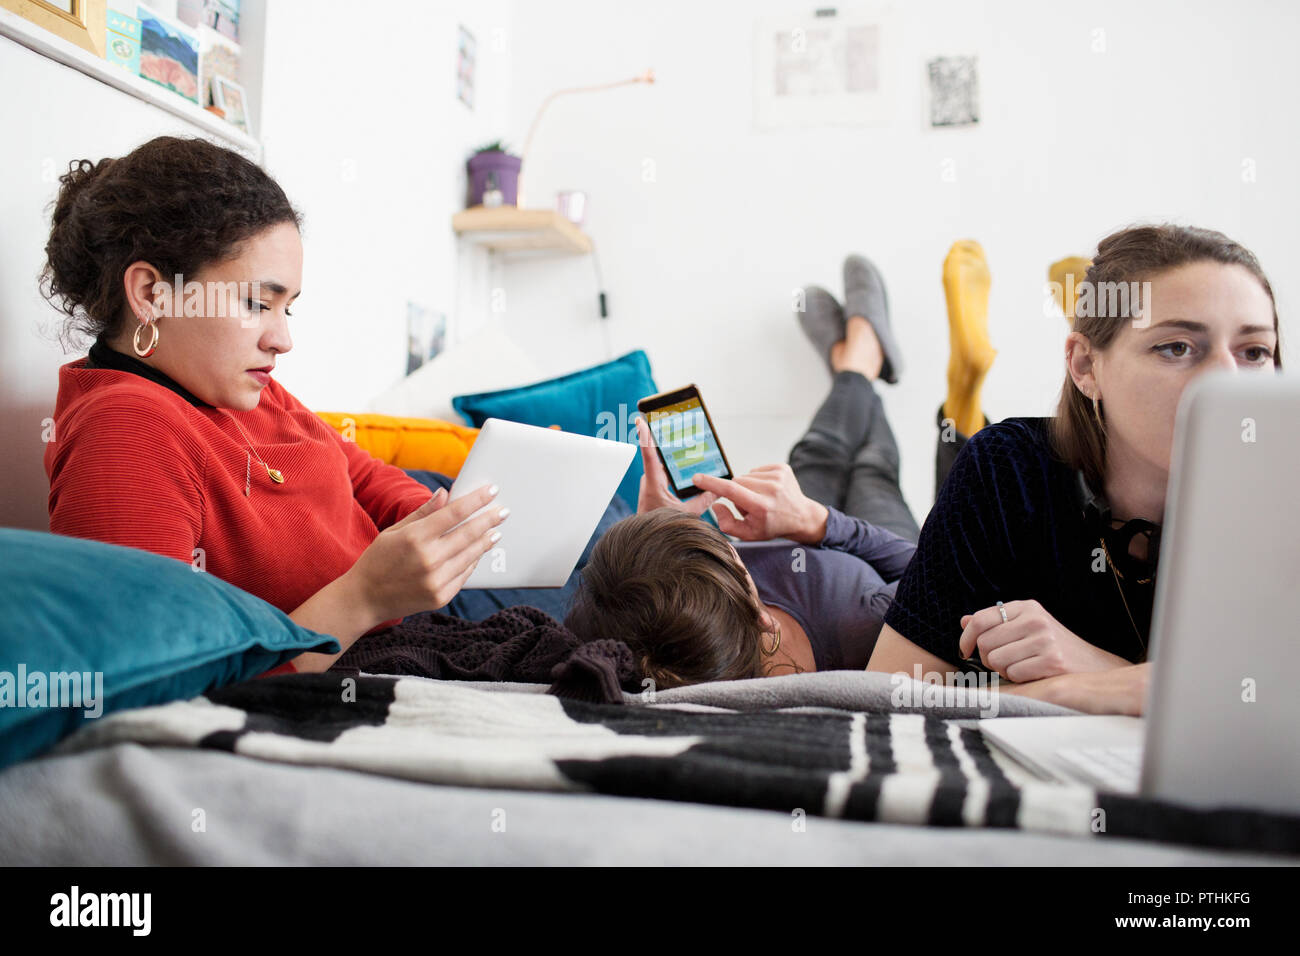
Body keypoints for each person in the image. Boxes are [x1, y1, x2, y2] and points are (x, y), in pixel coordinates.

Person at [41, 136, 509, 674]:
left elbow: (361, 474)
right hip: (398, 624)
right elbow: (153, 684)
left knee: (605, 543)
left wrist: (433, 523)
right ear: (153, 294)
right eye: (257, 303)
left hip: (434, 593)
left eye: (287, 309)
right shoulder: (125, 429)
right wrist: (366, 598)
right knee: (617, 573)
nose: (282, 339)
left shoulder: (229, 385)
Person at [868, 224, 1283, 715]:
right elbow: (890, 699)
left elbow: (1270, 706)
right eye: (1177, 347)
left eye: (1254, 352)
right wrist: (1108, 687)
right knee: (868, 490)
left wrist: (1086, 674)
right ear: (1085, 366)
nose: (1226, 383)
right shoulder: (1009, 469)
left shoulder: (1282, 498)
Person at [567, 253, 974, 684]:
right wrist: (817, 522)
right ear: (763, 617)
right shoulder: (869, 625)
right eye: (731, 558)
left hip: (791, 543)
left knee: (814, 456)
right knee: (871, 469)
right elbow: (943, 574)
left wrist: (657, 539)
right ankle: (862, 362)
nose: (730, 547)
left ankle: (853, 364)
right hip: (869, 556)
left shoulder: (666, 630)